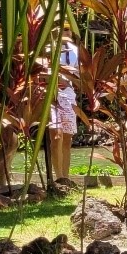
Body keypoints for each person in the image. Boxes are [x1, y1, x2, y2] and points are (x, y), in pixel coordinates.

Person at [48, 37, 80, 181]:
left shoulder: (74, 51)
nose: (64, 32)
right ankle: (59, 177)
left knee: (67, 139)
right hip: (49, 94)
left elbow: (80, 76)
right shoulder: (46, 49)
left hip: (68, 95)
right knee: (56, 136)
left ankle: (66, 179)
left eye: (68, 29)